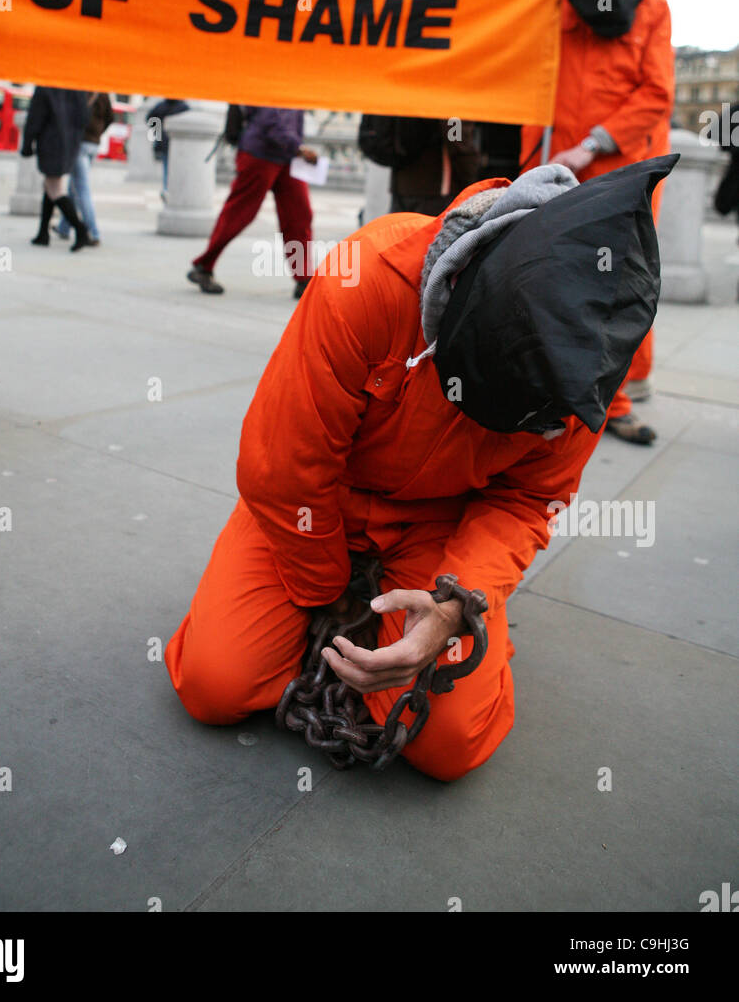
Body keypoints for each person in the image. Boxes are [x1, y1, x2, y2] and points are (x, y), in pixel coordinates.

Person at [166, 156, 674, 782]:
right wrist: (327, 592)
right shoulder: (370, 279)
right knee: (216, 685)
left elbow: (524, 502)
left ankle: (435, 631)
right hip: (314, 505)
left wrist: (460, 605)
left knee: (446, 745)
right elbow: (285, 466)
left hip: (440, 526)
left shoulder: (585, 365)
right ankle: (313, 600)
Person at [519, 0, 675, 445]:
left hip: (623, 174)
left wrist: (591, 146)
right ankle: (544, 392)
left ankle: (616, 400)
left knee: (618, 287)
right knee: (548, 279)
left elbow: (657, 93)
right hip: (555, 166)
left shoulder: (653, 9)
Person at [187, 106, 318, 298]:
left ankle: (304, 279)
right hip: (260, 154)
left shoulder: (297, 80)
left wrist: (297, 148)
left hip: (288, 156)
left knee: (300, 216)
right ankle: (203, 266)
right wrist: (299, 148)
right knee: (239, 214)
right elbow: (270, 120)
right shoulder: (274, 79)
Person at [20, 86, 91, 251]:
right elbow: (85, 118)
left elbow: (35, 118)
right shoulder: (76, 87)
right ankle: (43, 233)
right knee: (49, 185)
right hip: (71, 143)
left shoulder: (46, 86)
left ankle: (81, 229)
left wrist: (27, 144)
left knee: (54, 188)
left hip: (50, 142)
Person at [54, 91, 113, 247]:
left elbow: (69, 116)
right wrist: (99, 132)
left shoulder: (79, 91)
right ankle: (64, 227)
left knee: (81, 188)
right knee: (74, 187)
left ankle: (93, 232)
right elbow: (110, 117)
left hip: (79, 142)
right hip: (94, 144)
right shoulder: (102, 92)